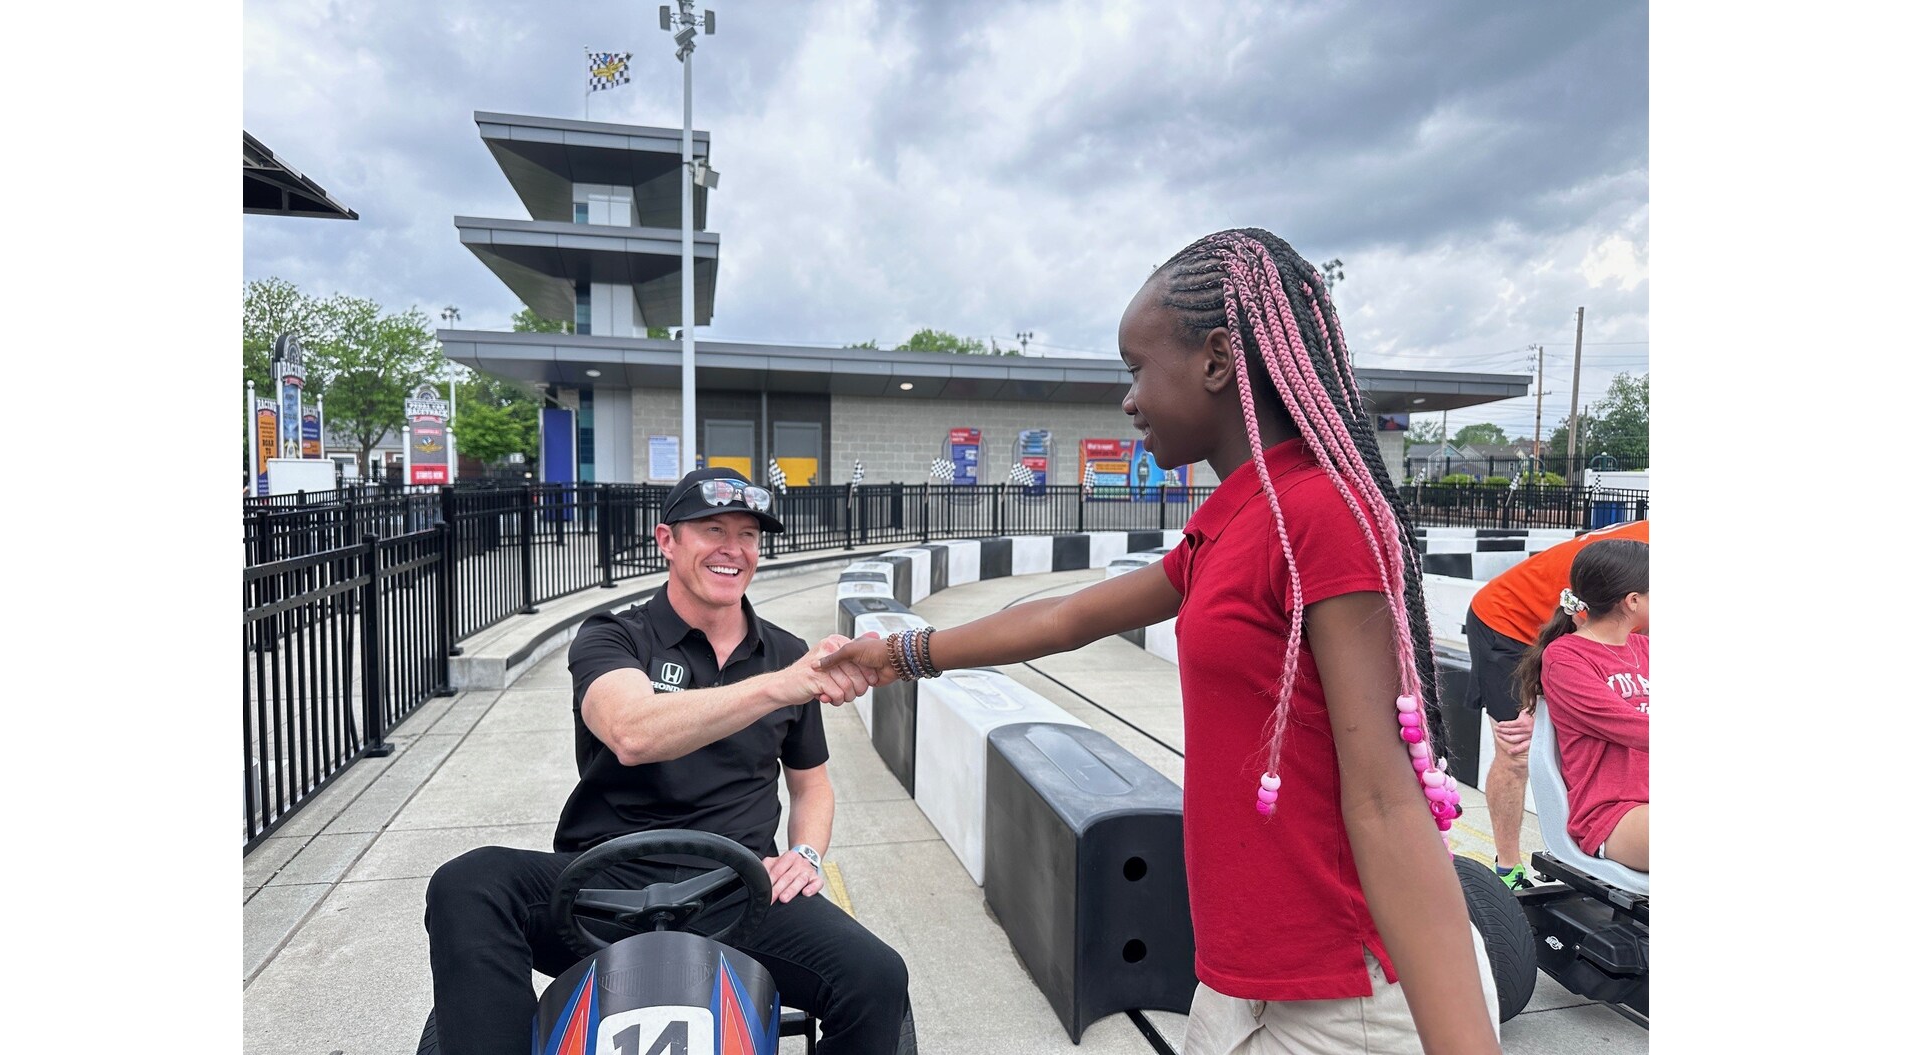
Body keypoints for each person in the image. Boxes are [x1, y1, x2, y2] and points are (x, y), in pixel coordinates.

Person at [823, 229, 1500, 1054]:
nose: (1128, 398)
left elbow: (1387, 801)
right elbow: (1066, 616)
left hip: (1346, 1001)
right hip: (1240, 982)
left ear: (1217, 360)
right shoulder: (1233, 518)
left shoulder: (1320, 514)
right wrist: (899, 656)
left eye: (1136, 367)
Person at [422, 467, 912, 1054]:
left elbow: (812, 787)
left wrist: (805, 854)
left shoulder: (784, 654)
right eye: (713, 530)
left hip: (739, 889)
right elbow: (632, 732)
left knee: (879, 978)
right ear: (667, 541)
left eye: (749, 535)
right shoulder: (614, 635)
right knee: (468, 883)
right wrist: (782, 686)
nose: (734, 549)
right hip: (604, 884)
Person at [1462, 519, 1648, 888]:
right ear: (1633, 600)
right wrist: (1547, 706)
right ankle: (1508, 868)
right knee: (1516, 750)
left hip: (1592, 634)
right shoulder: (1640, 561)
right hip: (1506, 621)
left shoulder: (1641, 641)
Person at [1512, 538, 1649, 871]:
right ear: (1632, 601)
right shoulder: (1565, 659)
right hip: (1614, 813)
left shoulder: (1645, 648)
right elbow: (1631, 728)